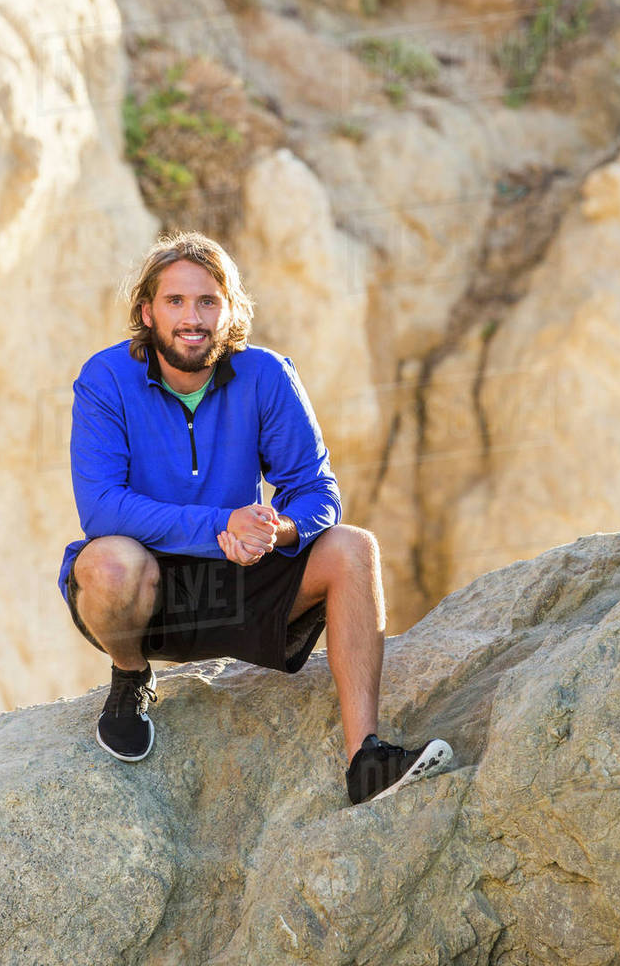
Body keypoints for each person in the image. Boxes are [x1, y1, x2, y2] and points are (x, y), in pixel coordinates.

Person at [58, 231, 452, 804]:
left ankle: (366, 760)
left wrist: (278, 529)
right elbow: (101, 508)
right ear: (146, 311)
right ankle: (129, 676)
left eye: (208, 302)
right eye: (175, 302)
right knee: (110, 562)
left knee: (353, 547)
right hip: (152, 600)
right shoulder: (105, 379)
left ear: (230, 311)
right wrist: (223, 527)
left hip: (241, 584)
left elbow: (317, 491)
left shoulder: (267, 376)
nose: (192, 318)